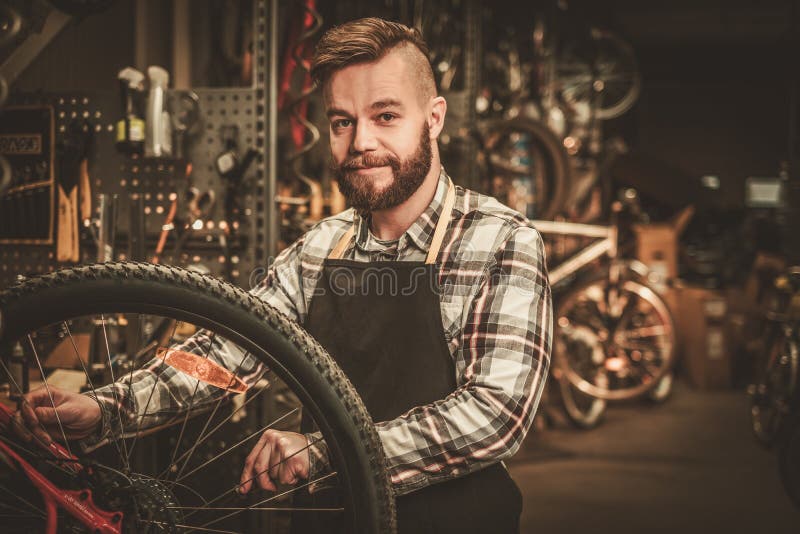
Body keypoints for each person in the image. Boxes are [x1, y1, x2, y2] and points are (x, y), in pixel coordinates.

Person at [18, 17, 552, 533]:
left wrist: (329, 451)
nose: (360, 141)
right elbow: (225, 356)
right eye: (342, 121)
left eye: (385, 116)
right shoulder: (323, 246)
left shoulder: (499, 241)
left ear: (433, 118)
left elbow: (496, 415)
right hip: (335, 520)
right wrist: (106, 406)